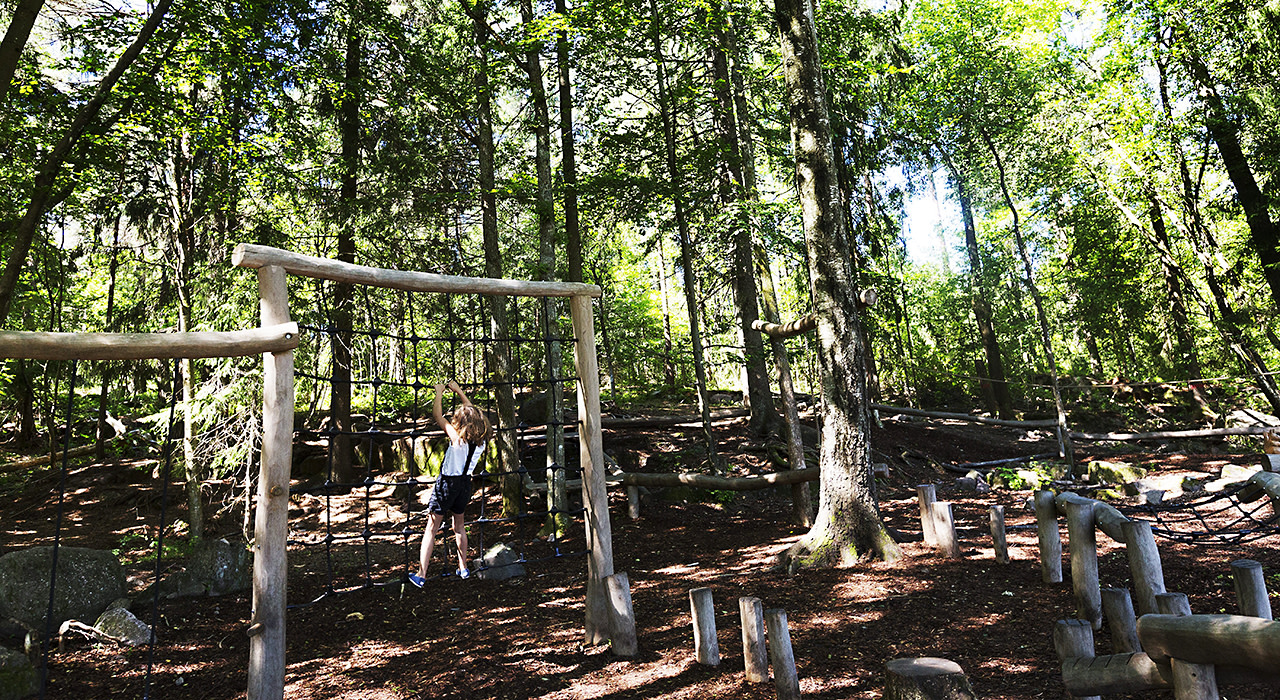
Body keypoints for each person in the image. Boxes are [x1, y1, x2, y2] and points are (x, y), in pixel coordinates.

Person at [409, 380, 491, 587]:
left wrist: (439, 393)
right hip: (465, 485)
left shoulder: (457, 439)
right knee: (459, 526)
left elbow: (438, 416)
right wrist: (459, 392)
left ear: (461, 423)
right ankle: (463, 568)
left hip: (447, 485)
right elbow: (474, 413)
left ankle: (421, 574)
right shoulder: (481, 442)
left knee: (431, 527)